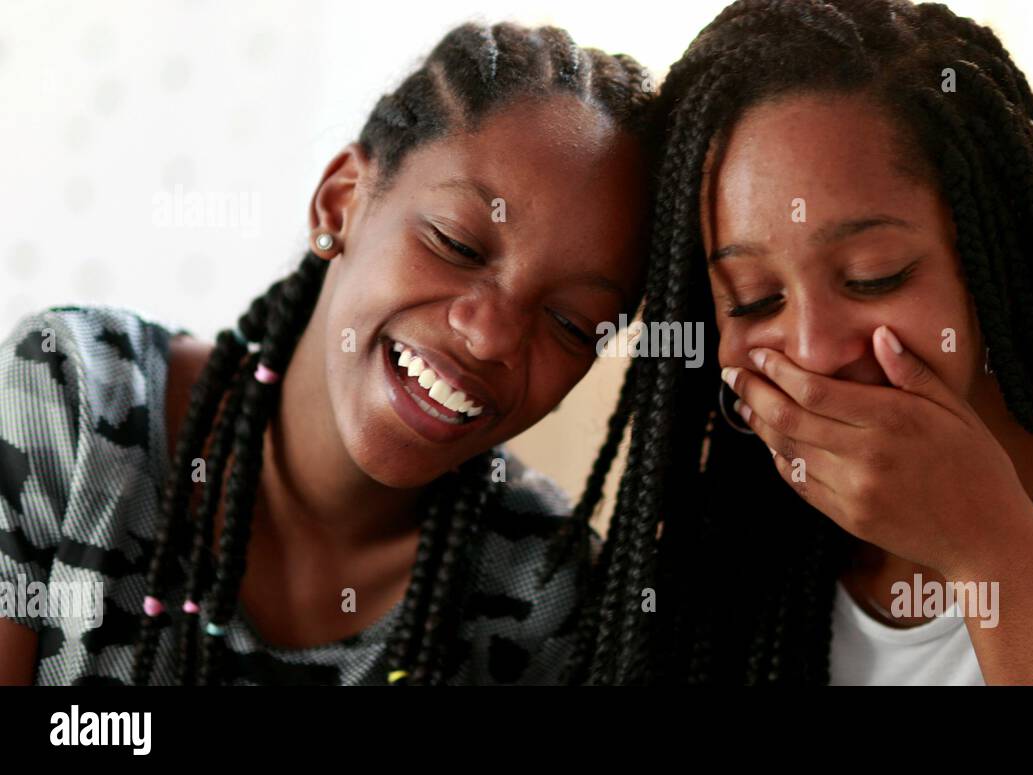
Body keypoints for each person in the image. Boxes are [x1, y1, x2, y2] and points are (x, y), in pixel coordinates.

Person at [564, 0, 1033, 685]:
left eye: (873, 276)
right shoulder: (714, 590)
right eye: (756, 298)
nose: (816, 349)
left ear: (991, 259)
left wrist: (994, 556)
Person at [0, 21, 655, 685]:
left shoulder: (549, 599)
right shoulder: (78, 401)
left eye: (572, 323)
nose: (490, 336)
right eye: (456, 244)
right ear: (340, 202)